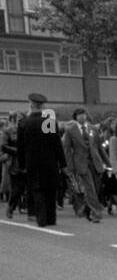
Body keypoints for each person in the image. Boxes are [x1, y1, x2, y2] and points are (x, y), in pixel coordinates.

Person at [15, 92, 67, 227]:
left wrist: (21, 164)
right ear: (43, 106)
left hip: (32, 162)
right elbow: (57, 144)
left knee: (37, 190)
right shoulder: (49, 122)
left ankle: (41, 218)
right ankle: (51, 218)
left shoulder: (24, 122)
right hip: (49, 161)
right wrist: (63, 163)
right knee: (50, 189)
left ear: (31, 104)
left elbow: (20, 147)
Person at [62, 107, 106, 223]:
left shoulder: (93, 129)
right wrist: (70, 166)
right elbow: (67, 149)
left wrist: (107, 162)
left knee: (96, 188)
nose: (82, 117)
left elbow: (99, 147)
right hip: (81, 162)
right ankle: (97, 212)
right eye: (79, 115)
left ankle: (86, 208)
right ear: (75, 117)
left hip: (95, 162)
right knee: (89, 187)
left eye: (84, 114)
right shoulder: (70, 130)